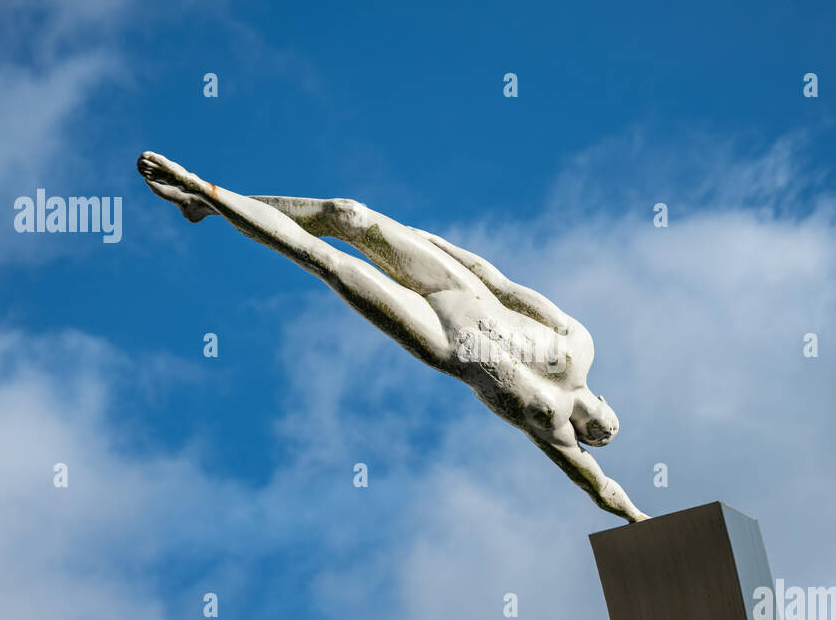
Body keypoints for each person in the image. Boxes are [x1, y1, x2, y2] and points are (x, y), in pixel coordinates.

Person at [138, 151, 647, 522]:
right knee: (347, 215)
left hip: (442, 343)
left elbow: (599, 487)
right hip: (457, 286)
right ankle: (208, 205)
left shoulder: (554, 429)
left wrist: (639, 520)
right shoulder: (579, 344)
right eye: (611, 424)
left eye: (599, 439)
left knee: (328, 263)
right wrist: (425, 240)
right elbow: (500, 283)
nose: (603, 433)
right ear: (605, 399)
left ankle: (204, 191)